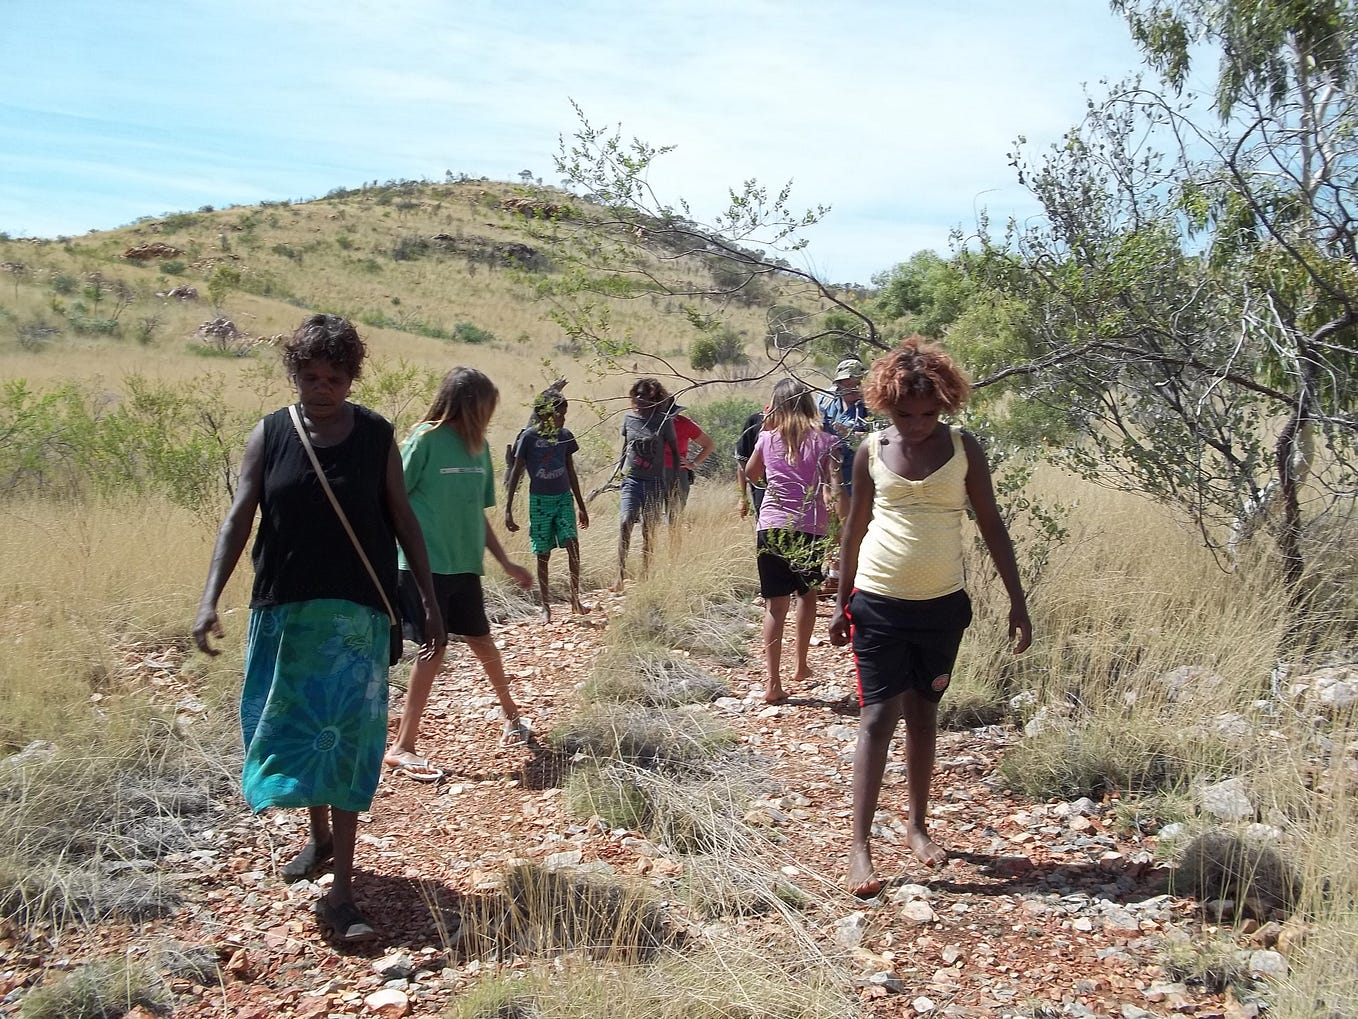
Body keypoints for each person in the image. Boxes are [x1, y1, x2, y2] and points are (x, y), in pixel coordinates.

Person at [193, 314, 444, 944]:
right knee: (307, 735)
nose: (321, 387)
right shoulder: (271, 433)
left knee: (350, 746)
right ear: (294, 372)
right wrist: (208, 599)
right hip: (287, 612)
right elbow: (239, 518)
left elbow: (405, 521)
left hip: (357, 616)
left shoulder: (376, 435)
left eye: (334, 376)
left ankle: (343, 891)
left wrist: (429, 601)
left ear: (352, 375)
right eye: (310, 375)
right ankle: (319, 838)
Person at [828, 337, 1032, 898]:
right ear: (883, 404)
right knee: (877, 719)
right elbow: (853, 530)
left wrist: (1017, 600)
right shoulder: (871, 450)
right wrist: (840, 603)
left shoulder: (965, 449)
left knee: (924, 717)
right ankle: (860, 846)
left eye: (927, 413)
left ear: (944, 403)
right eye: (904, 414)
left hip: (943, 606)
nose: (916, 424)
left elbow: (992, 526)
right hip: (878, 602)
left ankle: (918, 826)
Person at [385, 367, 535, 777]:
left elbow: (477, 513)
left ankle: (512, 718)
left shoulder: (479, 447)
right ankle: (402, 745)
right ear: (470, 403)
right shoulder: (425, 440)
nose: (489, 412)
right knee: (434, 649)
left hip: (464, 565)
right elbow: (392, 499)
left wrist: (505, 562)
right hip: (424, 566)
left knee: (483, 642)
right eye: (486, 404)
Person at [744, 379, 841, 704]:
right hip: (809, 528)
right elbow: (832, 486)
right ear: (809, 406)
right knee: (807, 596)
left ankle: (773, 683)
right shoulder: (825, 441)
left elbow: (751, 473)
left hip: (771, 527)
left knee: (775, 606)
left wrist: (769, 480)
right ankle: (800, 666)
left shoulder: (767, 437)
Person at [504, 388, 591, 623]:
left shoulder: (565, 435)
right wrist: (508, 507)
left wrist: (581, 506)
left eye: (564, 414)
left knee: (573, 545)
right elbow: (517, 471)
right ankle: (545, 606)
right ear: (544, 414)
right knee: (543, 553)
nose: (562, 418)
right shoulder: (529, 438)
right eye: (558, 414)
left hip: (563, 498)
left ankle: (575, 599)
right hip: (540, 501)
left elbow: (571, 470)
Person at [612, 378, 680, 591]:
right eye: (638, 394)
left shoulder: (663, 421)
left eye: (646, 395)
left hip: (655, 482)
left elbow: (676, 454)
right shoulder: (629, 419)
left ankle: (646, 573)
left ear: (655, 398)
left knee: (648, 530)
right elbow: (625, 449)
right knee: (625, 521)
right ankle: (620, 575)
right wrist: (616, 474)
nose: (640, 399)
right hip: (632, 479)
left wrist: (673, 483)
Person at [661, 398, 715, 523]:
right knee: (650, 516)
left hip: (677, 474)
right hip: (653, 473)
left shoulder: (684, 423)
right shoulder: (649, 424)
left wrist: (693, 464)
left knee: (675, 517)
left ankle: (675, 542)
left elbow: (708, 444)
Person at [734, 407, 766, 519]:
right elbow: (742, 461)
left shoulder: (808, 425)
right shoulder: (756, 421)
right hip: (763, 493)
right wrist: (743, 497)